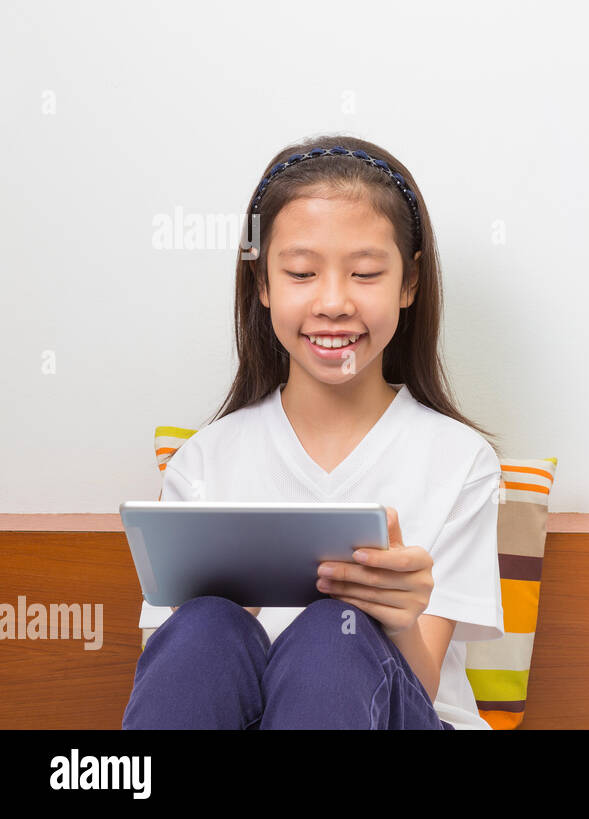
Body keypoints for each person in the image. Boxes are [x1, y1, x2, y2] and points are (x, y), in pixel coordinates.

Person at [123, 135, 506, 730]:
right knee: (201, 625)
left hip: (403, 714)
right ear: (264, 285)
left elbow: (422, 687)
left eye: (365, 273)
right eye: (302, 272)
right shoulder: (201, 463)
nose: (333, 302)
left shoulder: (461, 460)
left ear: (409, 284)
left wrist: (401, 620)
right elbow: (178, 673)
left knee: (337, 626)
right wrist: (221, 611)